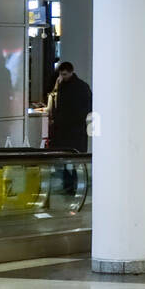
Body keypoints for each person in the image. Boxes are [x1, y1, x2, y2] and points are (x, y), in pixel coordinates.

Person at [49, 61, 92, 192]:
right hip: (69, 129)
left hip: (72, 129)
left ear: (71, 72)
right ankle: (69, 185)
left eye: (65, 74)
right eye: (61, 74)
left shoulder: (79, 87)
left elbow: (88, 105)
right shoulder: (62, 85)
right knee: (68, 159)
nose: (63, 76)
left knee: (70, 159)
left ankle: (71, 185)